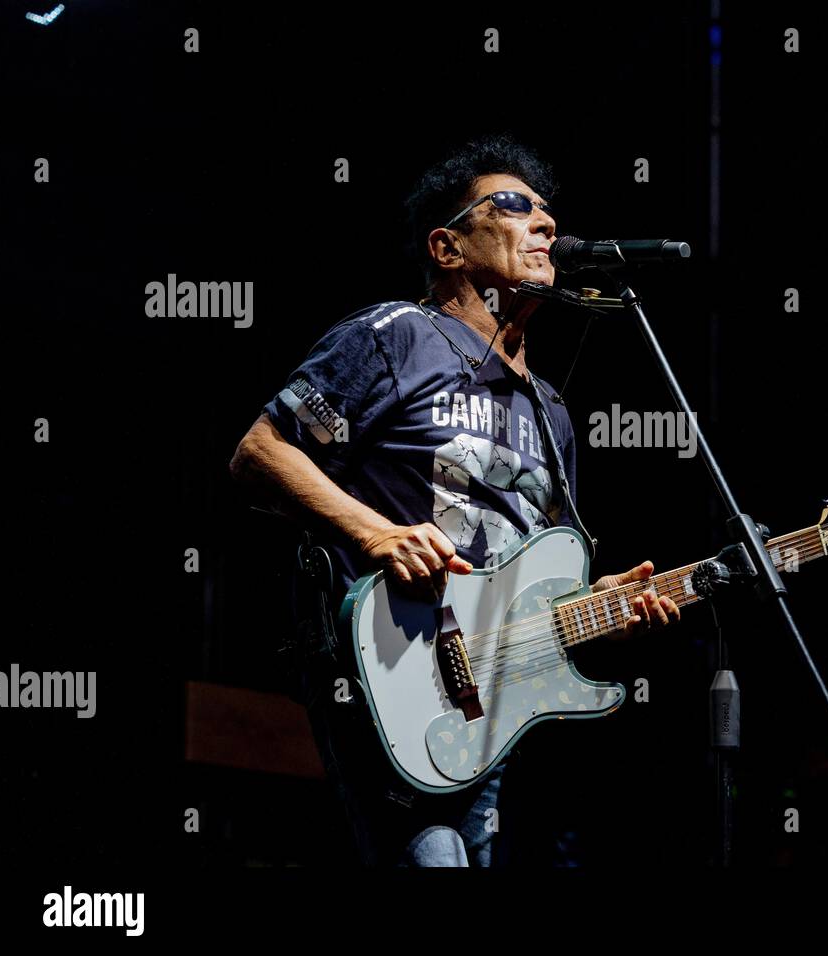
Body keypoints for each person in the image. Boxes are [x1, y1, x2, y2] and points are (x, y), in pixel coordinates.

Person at [228, 134, 680, 866]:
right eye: (512, 206)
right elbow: (260, 453)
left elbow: (544, 570)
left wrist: (599, 608)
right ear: (447, 248)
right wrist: (378, 534)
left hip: (493, 702)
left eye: (547, 215)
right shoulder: (399, 338)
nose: (544, 225)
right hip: (392, 666)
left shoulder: (552, 412)